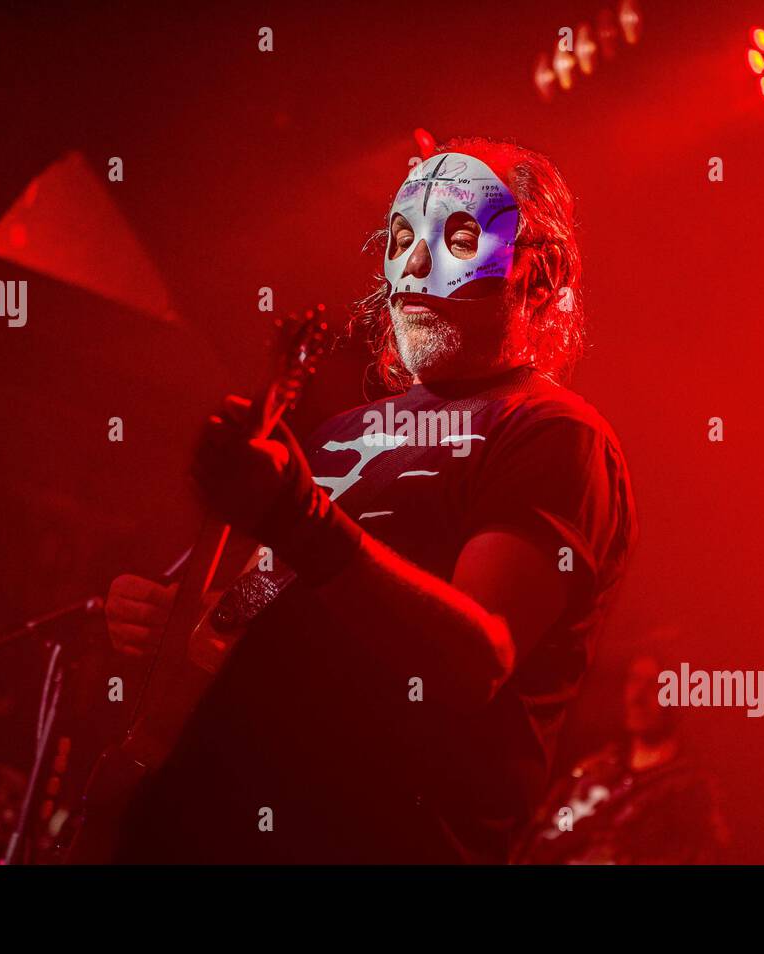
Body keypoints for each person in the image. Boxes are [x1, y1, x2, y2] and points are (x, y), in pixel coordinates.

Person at [105, 137, 636, 862]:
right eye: (400, 237)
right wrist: (182, 618)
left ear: (536, 279)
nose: (414, 264)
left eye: (456, 236)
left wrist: (299, 515)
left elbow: (470, 660)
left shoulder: (555, 436)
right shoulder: (345, 432)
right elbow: (269, 615)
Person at [513, 650, 730, 864]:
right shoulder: (593, 772)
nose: (637, 696)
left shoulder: (692, 794)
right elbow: (546, 834)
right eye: (634, 680)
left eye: (655, 685)